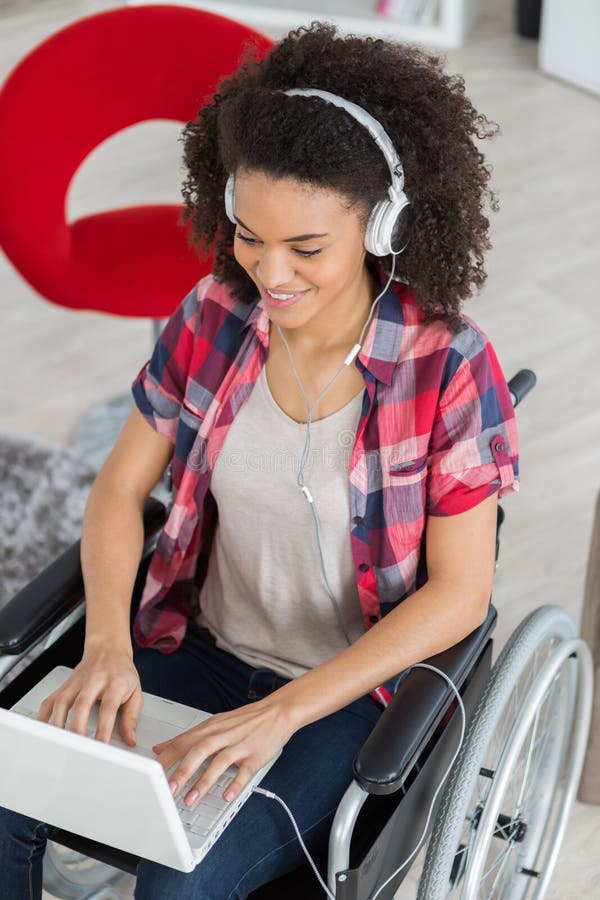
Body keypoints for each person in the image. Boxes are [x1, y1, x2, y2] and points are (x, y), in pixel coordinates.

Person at [0, 21, 519, 900]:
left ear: (381, 225)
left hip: (344, 697)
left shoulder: (449, 366)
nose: (268, 274)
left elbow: (461, 596)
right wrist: (102, 650)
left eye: (306, 249)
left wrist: (280, 713)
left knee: (179, 882)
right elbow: (122, 488)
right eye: (246, 233)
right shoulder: (214, 314)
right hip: (197, 648)